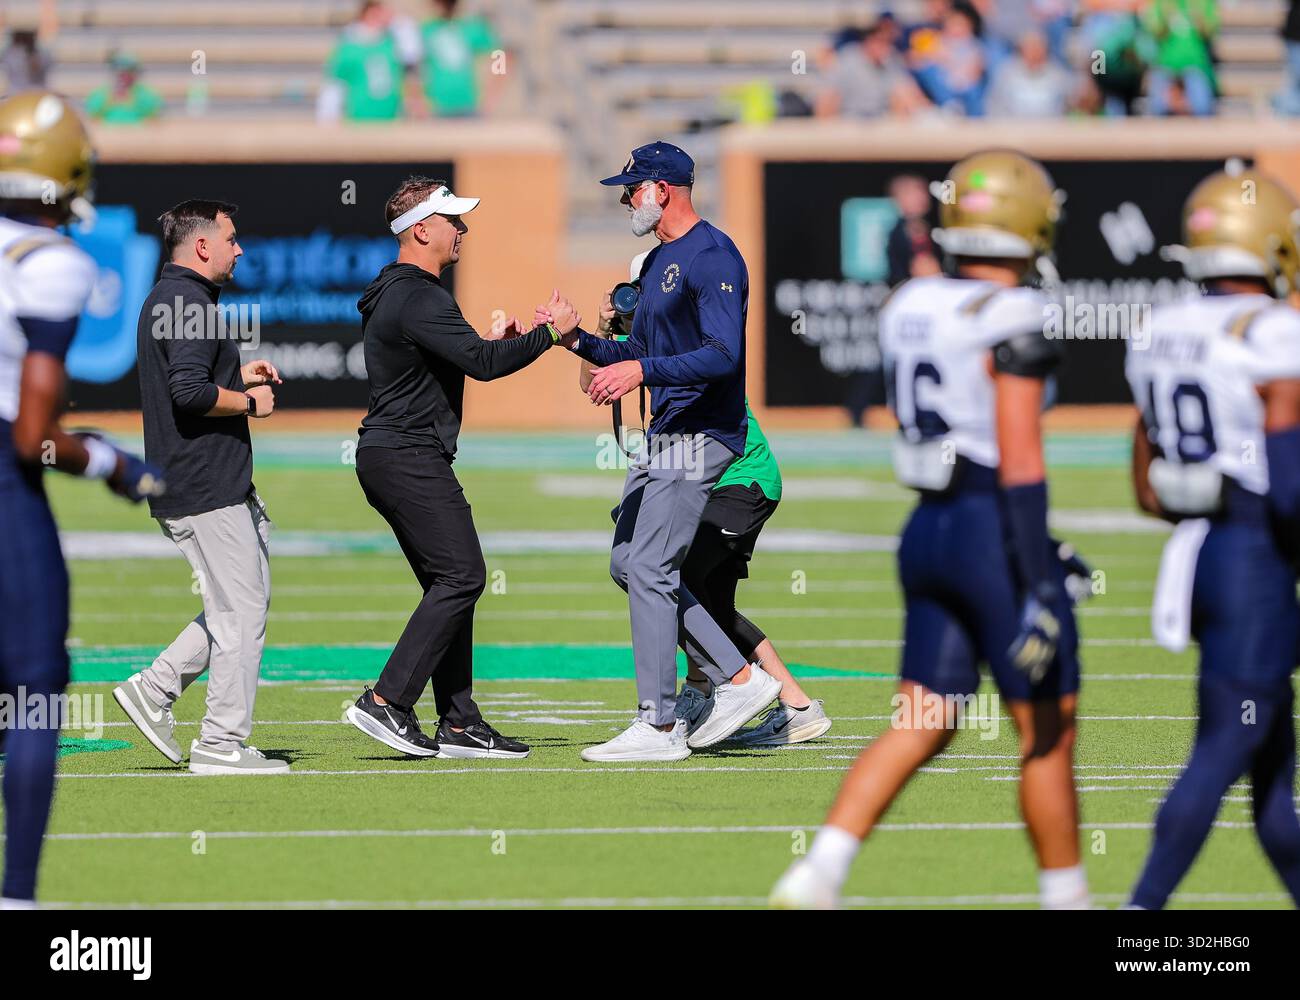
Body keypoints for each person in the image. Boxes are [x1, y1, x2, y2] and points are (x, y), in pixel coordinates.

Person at [771, 151, 1089, 909]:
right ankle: (1069, 899)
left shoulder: (911, 301)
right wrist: (1039, 570)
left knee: (923, 717)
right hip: (988, 531)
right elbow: (1018, 453)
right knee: (1047, 731)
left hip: (927, 533)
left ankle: (818, 873)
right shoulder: (1013, 313)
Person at [558, 141, 782, 763]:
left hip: (702, 432)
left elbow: (723, 354)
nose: (625, 197)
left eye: (632, 187)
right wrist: (572, 336)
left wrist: (640, 372)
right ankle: (741, 680)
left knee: (651, 568)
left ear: (664, 188)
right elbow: (628, 356)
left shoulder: (713, 255)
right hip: (667, 433)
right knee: (630, 563)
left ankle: (658, 726)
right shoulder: (659, 261)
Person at [344, 176, 578, 760]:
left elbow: (464, 354)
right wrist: (553, 333)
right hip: (407, 456)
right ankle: (387, 701)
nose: (463, 231)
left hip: (396, 455)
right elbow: (482, 364)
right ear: (421, 229)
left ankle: (459, 721)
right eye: (453, 220)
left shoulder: (399, 293)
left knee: (448, 582)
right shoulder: (418, 294)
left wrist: (496, 341)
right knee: (463, 576)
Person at [0, 91, 162, 907]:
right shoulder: (50, 260)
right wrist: (105, 462)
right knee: (29, 689)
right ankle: (17, 897)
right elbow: (32, 434)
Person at [1126, 166, 1300, 908]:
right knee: (1226, 745)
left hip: (1199, 555)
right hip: (1256, 556)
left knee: (1271, 764)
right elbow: (1290, 485)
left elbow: (1146, 483)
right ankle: (1142, 910)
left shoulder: (1161, 328)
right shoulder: (1273, 332)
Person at [579, 257, 832, 748]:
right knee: (701, 596)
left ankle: (740, 691)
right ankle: (788, 704)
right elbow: (595, 383)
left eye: (645, 290)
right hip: (711, 479)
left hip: (738, 481)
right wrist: (602, 329)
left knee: (661, 574)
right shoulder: (651, 341)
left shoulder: (686, 335)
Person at [113, 199, 289, 776]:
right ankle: (220, 743)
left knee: (237, 604)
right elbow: (188, 393)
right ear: (203, 245)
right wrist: (249, 403)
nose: (240, 250)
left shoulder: (177, 298)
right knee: (241, 611)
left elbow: (185, 379)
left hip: (206, 479)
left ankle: (155, 689)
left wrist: (240, 375)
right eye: (232, 239)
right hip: (203, 483)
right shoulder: (187, 301)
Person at [317, 1, 421, 123]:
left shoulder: (391, 44)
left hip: (391, 119)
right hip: (360, 119)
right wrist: (328, 117)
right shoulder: (349, 47)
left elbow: (412, 51)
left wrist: (397, 21)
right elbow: (334, 86)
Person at [816, 19, 929, 118]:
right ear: (869, 41)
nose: (885, 47)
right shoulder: (848, 59)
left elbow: (908, 92)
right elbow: (828, 98)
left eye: (887, 42)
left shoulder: (890, 61)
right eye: (880, 41)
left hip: (882, 120)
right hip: (849, 120)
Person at [417, 0, 503, 117]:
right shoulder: (426, 30)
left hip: (469, 107)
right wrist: (418, 101)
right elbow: (412, 69)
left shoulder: (472, 27)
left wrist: (491, 95)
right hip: (437, 107)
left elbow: (499, 53)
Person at [1143, 0, 1218, 116]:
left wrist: (1197, 15)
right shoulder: (1160, 3)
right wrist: (1166, 12)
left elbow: (1210, 29)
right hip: (1165, 65)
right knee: (1157, 107)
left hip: (1196, 65)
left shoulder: (1204, 3)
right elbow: (1154, 30)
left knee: (1202, 107)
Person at [984, 30, 1076, 117]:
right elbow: (994, 105)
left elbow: (1070, 101)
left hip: (1051, 129)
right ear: (1022, 50)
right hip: (1013, 129)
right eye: (1030, 48)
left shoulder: (1057, 74)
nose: (1034, 52)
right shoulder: (1006, 74)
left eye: (1038, 48)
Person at [84, 51, 164, 124]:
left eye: (129, 72)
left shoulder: (148, 96)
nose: (124, 76)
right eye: (120, 72)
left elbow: (153, 121)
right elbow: (93, 121)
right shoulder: (99, 95)